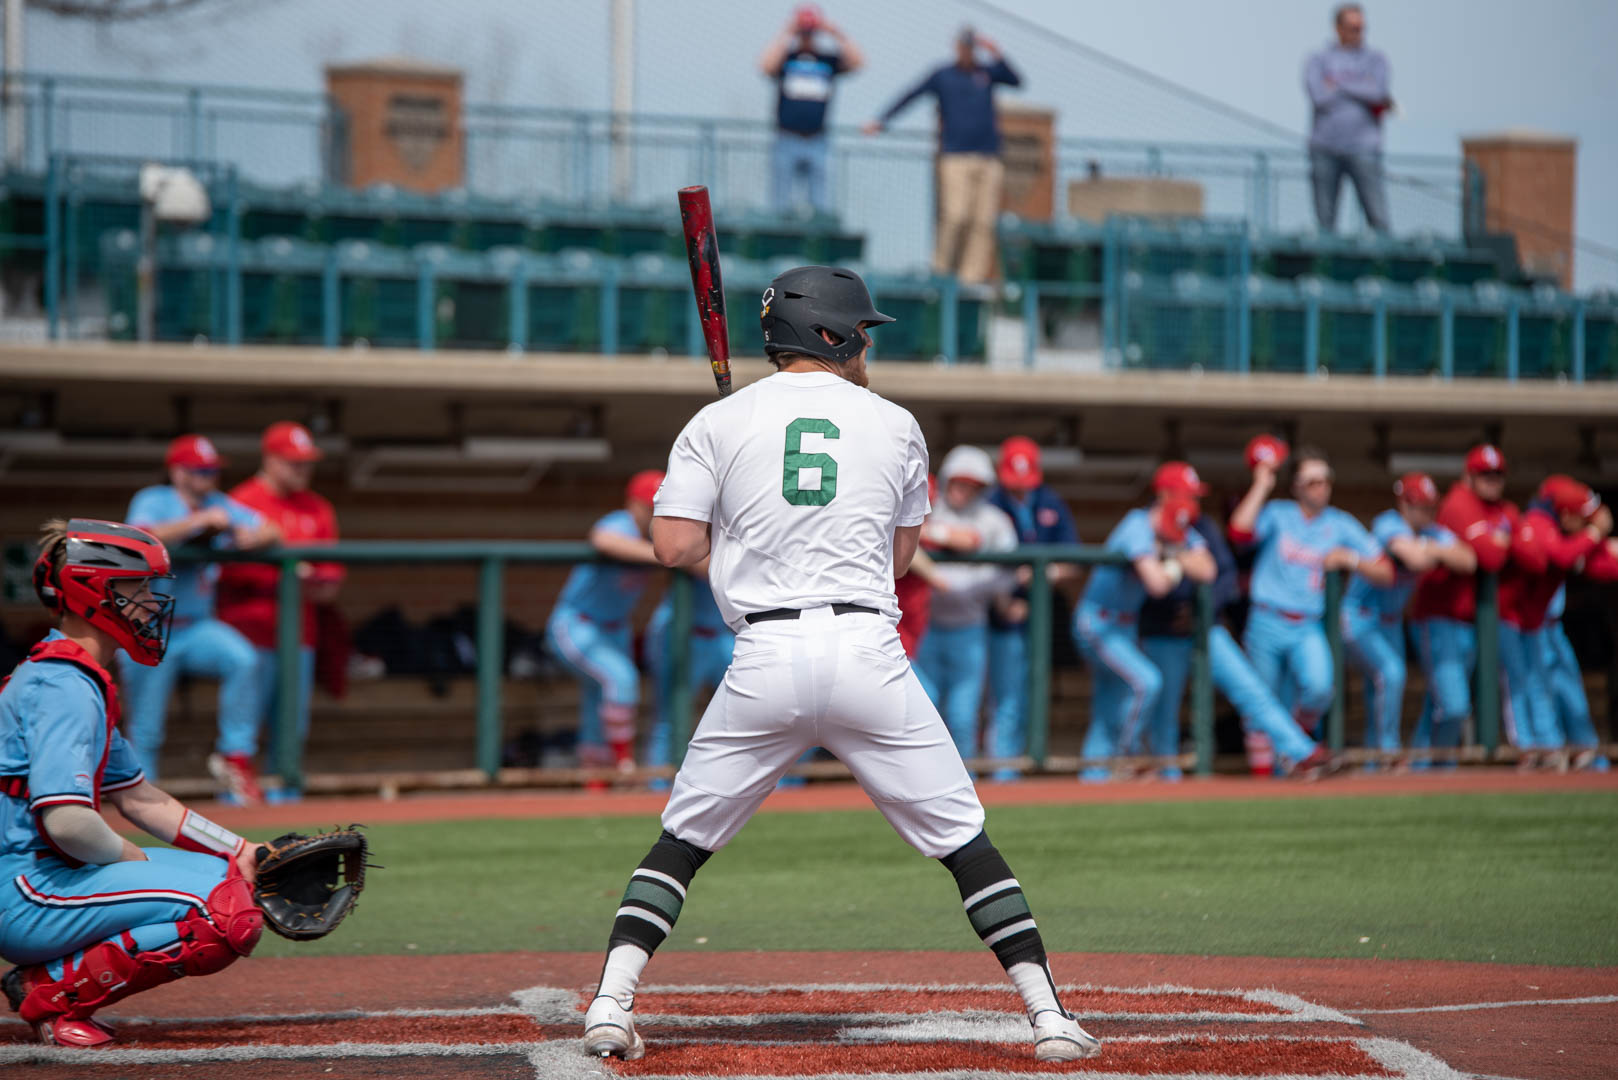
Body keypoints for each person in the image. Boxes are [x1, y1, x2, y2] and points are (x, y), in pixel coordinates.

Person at [581, 264, 1101, 1065]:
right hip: (867, 654)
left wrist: (740, 525)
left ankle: (609, 1004)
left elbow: (674, 546)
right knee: (966, 844)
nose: (867, 345)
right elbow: (899, 559)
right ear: (830, 334)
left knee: (682, 841)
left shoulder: (717, 422)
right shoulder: (896, 424)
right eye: (861, 332)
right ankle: (1049, 1017)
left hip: (765, 656)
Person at [1, 520, 264, 1047]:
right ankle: (50, 992)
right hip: (24, 890)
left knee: (229, 879)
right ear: (93, 592)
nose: (149, 603)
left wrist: (241, 851)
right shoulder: (63, 685)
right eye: (136, 588)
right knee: (223, 913)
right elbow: (68, 822)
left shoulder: (77, 675)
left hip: (42, 876)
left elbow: (142, 799)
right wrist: (134, 860)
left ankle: (51, 978)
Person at [1136, 464, 1334, 780]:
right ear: (1164, 495)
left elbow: (1225, 575)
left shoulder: (1201, 525)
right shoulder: (1142, 525)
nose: (1193, 502)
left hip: (1206, 628)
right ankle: (1168, 777)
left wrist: (1200, 612)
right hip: (1163, 631)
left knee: (1253, 691)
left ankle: (1301, 752)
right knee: (1165, 712)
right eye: (1187, 495)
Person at [120, 435, 280, 803]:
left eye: (212, 470)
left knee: (243, 660)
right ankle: (140, 801)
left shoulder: (219, 503)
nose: (209, 477)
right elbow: (139, 538)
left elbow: (273, 529)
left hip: (196, 626)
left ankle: (234, 758)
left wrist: (249, 537)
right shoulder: (154, 500)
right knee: (146, 729)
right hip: (149, 629)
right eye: (200, 470)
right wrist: (199, 522)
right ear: (178, 472)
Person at [1228, 445, 1392, 757]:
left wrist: (1350, 558)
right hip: (1266, 619)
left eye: (1326, 480)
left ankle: (1296, 746)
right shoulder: (1278, 513)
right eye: (1313, 482)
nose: (1322, 488)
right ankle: (1266, 778)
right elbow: (1238, 532)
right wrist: (1262, 484)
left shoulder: (1340, 524)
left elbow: (1386, 573)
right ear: (1297, 487)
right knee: (1259, 704)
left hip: (1306, 624)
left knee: (1320, 688)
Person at [215, 422, 342, 802]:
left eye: (307, 462)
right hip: (248, 636)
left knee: (290, 734)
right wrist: (292, 572)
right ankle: (234, 811)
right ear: (270, 459)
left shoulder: (317, 507)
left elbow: (330, 585)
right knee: (241, 735)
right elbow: (225, 572)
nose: (303, 469)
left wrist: (283, 570)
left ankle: (285, 811)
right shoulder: (240, 502)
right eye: (293, 461)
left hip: (299, 637)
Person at [1074, 493, 1217, 782]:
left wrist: (1172, 553)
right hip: (1099, 622)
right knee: (1146, 682)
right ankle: (1126, 758)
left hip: (1125, 627)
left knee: (1110, 704)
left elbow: (1208, 569)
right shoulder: (1137, 525)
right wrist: (1177, 561)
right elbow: (1157, 584)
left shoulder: (1175, 525)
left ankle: (1094, 777)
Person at [864, 27, 1022, 284]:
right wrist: (881, 121)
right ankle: (940, 276)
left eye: (972, 47)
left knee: (983, 222)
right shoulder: (943, 75)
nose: (968, 51)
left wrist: (997, 53)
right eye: (964, 46)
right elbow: (911, 94)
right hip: (955, 157)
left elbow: (1017, 81)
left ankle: (971, 280)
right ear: (957, 47)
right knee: (955, 216)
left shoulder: (987, 72)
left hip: (989, 157)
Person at [1340, 473, 1473, 761]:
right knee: (1392, 674)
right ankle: (1389, 754)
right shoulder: (1389, 523)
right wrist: (1436, 552)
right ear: (1404, 504)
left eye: (1430, 506)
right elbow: (1415, 559)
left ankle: (1375, 766)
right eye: (1420, 506)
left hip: (1390, 622)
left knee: (1378, 690)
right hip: (1359, 617)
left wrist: (1430, 548)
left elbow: (1468, 560)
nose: (1427, 512)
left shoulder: (1431, 532)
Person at [546, 470, 664, 779]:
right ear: (633, 504)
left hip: (616, 629)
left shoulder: (661, 534)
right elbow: (602, 539)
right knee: (621, 679)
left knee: (596, 705)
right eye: (649, 506)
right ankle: (624, 765)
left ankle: (596, 783)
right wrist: (660, 555)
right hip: (578, 624)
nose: (654, 513)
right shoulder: (620, 523)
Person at [1408, 444, 1517, 763]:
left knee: (1439, 704)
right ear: (1468, 476)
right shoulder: (1459, 503)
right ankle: (1436, 771)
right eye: (1485, 475)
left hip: (1469, 622)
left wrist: (1503, 542)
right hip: (1440, 618)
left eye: (1497, 475)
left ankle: (1420, 767)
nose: (1492, 481)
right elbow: (1490, 557)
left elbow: (1529, 550)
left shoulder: (1501, 509)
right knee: (1453, 705)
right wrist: (1502, 542)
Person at [1500, 475, 1616, 769]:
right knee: (1520, 683)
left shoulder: (1566, 530)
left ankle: (1552, 749)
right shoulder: (1539, 522)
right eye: (1583, 518)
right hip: (1510, 618)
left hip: (1537, 622)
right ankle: (1527, 749)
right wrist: (1594, 534)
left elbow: (1599, 564)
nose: (1588, 523)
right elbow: (1563, 556)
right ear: (1565, 514)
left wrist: (1596, 541)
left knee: (1541, 685)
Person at [914, 445, 1017, 759]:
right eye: (959, 482)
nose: (963, 490)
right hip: (927, 627)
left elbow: (1008, 572)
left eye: (973, 485)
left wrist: (967, 586)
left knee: (962, 716)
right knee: (924, 711)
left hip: (970, 628)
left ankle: (965, 779)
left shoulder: (994, 520)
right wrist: (939, 535)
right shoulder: (929, 509)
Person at [985, 437, 1078, 782]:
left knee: (1029, 697)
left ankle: (1015, 771)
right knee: (1004, 700)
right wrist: (1007, 589)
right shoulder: (991, 503)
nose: (1021, 487)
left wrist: (1045, 573)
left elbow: (1073, 560)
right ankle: (1002, 774)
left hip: (1040, 615)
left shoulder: (1049, 500)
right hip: (999, 616)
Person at [758, 4, 862, 215]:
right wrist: (786, 33)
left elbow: (857, 62)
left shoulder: (827, 60)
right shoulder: (787, 58)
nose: (807, 37)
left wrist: (836, 33)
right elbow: (766, 66)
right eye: (804, 32)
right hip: (786, 138)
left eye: (810, 32)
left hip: (817, 139)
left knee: (820, 204)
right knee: (779, 204)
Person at [1304, 3, 1393, 233]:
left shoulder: (1376, 60)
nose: (1358, 33)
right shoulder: (1318, 59)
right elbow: (1318, 96)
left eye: (1361, 28)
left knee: (1378, 219)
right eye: (1353, 28)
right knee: (1325, 223)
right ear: (1338, 28)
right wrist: (1361, 84)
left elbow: (1378, 93)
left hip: (1364, 149)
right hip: (1324, 148)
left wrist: (1338, 83)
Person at [643, 570, 735, 786]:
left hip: (720, 635)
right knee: (669, 719)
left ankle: (782, 787)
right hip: (680, 634)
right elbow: (700, 563)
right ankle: (657, 789)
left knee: (759, 709)